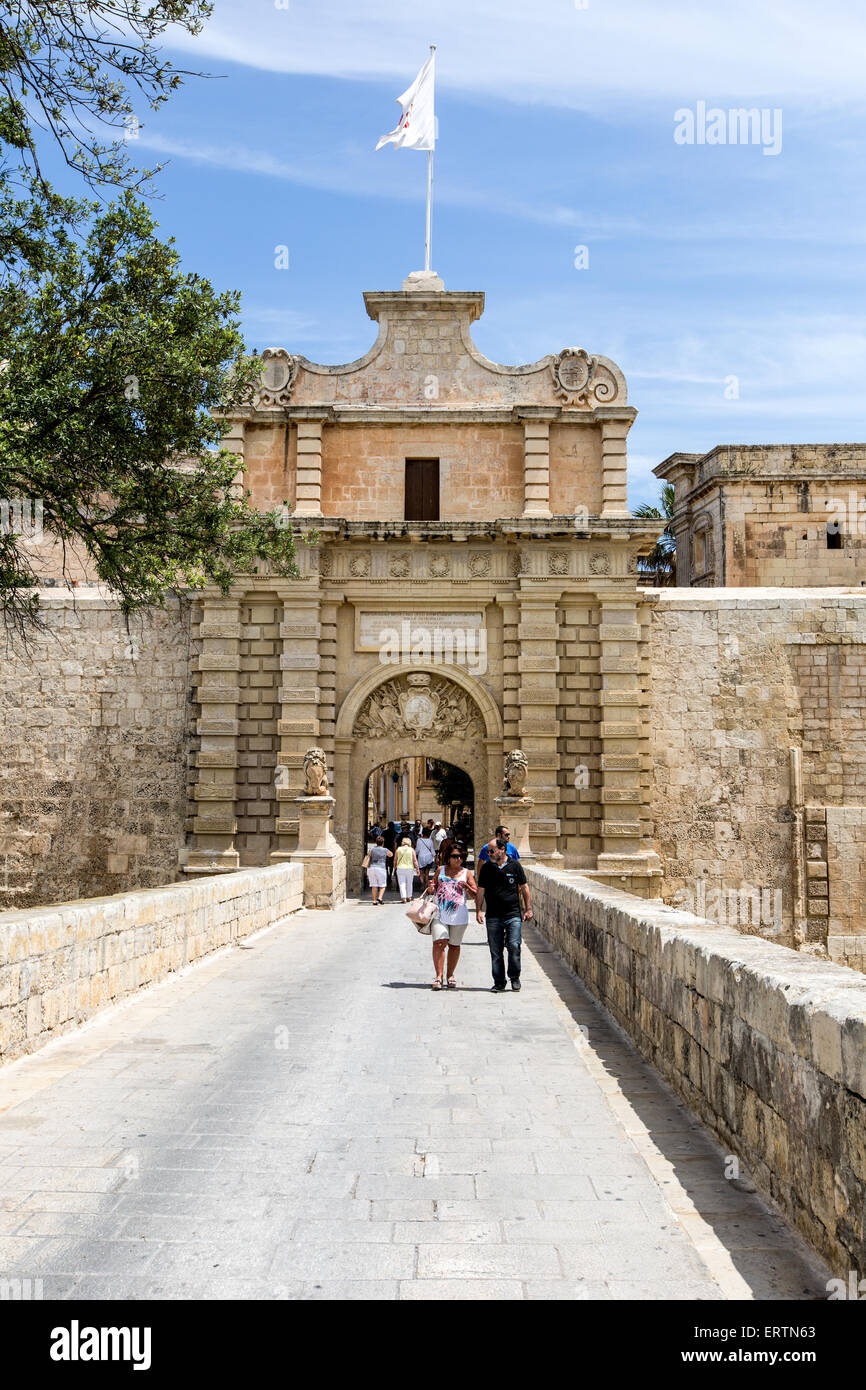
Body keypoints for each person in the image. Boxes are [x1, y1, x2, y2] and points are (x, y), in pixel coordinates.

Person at [475, 837, 532, 992]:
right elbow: (480, 891)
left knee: (514, 945)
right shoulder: (487, 868)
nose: (489, 854)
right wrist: (479, 909)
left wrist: (528, 909)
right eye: (488, 851)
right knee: (496, 950)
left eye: (492, 851)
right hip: (493, 915)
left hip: (512, 913)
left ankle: (515, 977)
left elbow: (524, 888)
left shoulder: (515, 866)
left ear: (503, 850)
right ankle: (499, 982)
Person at [424, 845, 478, 990]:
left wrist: (466, 886)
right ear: (448, 857)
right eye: (455, 856)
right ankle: (439, 976)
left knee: (454, 945)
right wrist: (430, 888)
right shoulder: (440, 870)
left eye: (461, 856)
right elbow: (433, 888)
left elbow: (475, 894)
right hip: (439, 913)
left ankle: (450, 975)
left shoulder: (466, 873)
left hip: (459, 916)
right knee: (439, 942)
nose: (458, 859)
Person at [366, 836, 392, 905]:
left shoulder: (372, 849)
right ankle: (380, 897)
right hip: (381, 868)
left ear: (376, 842)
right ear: (383, 843)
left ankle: (374, 901)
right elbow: (391, 855)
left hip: (372, 868)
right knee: (382, 885)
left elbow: (368, 855)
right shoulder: (385, 850)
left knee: (374, 885)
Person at [395, 836, 420, 903]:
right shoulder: (411, 850)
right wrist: (417, 869)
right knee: (409, 883)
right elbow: (415, 860)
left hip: (400, 868)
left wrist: (394, 867)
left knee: (402, 883)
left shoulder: (398, 849)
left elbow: (395, 860)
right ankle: (409, 896)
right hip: (409, 868)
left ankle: (403, 898)